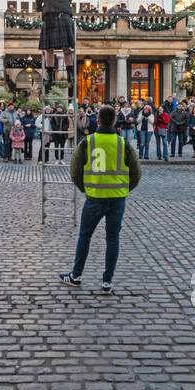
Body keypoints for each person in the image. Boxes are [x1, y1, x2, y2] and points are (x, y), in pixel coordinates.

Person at [59, 105, 141, 294]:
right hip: (117, 198)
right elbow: (136, 172)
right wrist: (123, 189)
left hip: (95, 197)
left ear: (98, 120)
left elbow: (75, 171)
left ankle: (76, 275)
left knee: (85, 236)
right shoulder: (123, 143)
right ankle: (107, 281)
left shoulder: (88, 142)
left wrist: (85, 188)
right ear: (113, 121)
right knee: (113, 239)